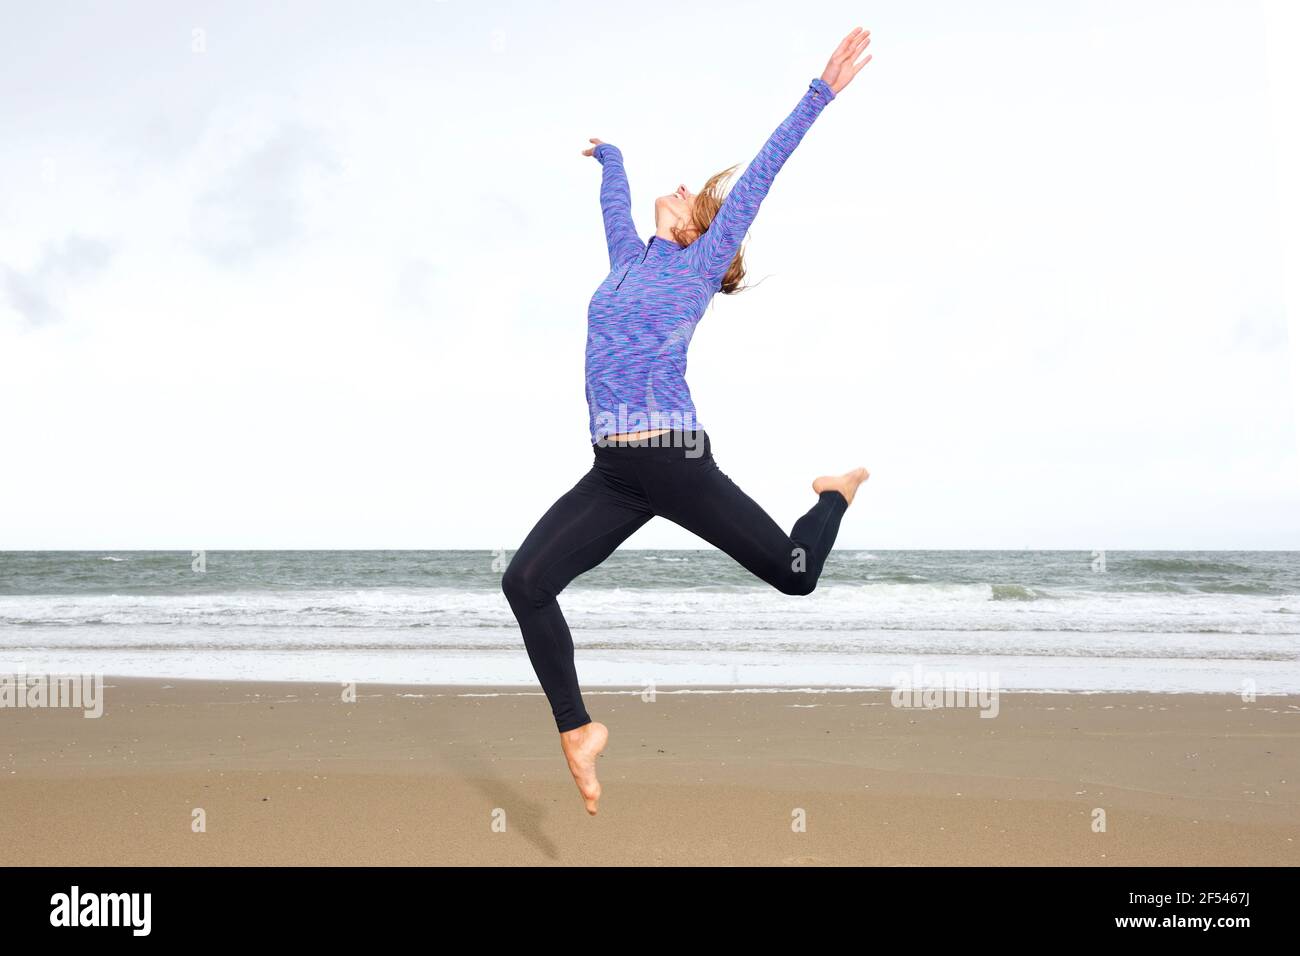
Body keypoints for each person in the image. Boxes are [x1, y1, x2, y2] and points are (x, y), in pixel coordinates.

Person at [502, 28, 874, 814]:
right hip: (614, 473)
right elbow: (612, 202)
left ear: (701, 225)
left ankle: (834, 494)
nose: (672, 189)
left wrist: (820, 93)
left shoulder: (701, 261)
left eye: (682, 195)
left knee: (795, 578)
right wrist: (612, 157)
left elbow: (763, 173)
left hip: (673, 457)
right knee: (526, 581)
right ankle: (577, 731)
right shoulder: (628, 260)